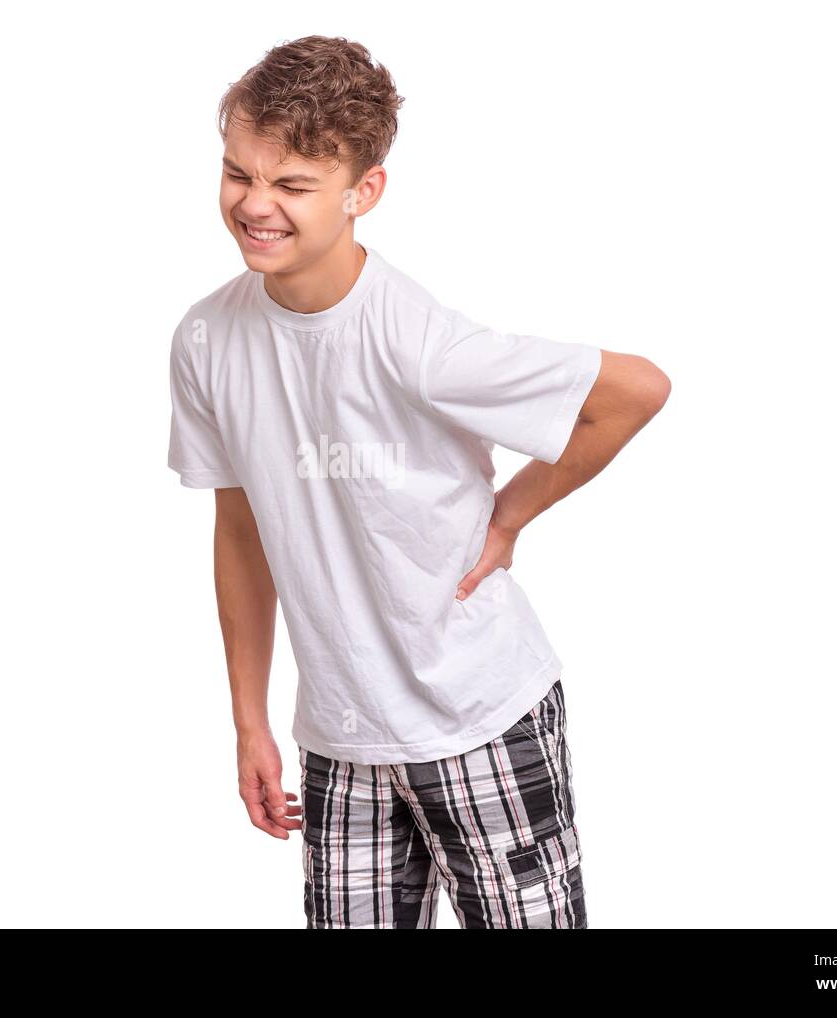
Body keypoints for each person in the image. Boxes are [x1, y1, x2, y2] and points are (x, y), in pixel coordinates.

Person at [167, 35, 670, 928]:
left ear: (364, 193)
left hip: (478, 718)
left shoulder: (418, 344)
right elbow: (242, 529)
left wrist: (513, 513)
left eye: (291, 185)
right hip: (339, 743)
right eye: (239, 172)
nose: (254, 205)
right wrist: (250, 718)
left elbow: (635, 392)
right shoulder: (207, 340)